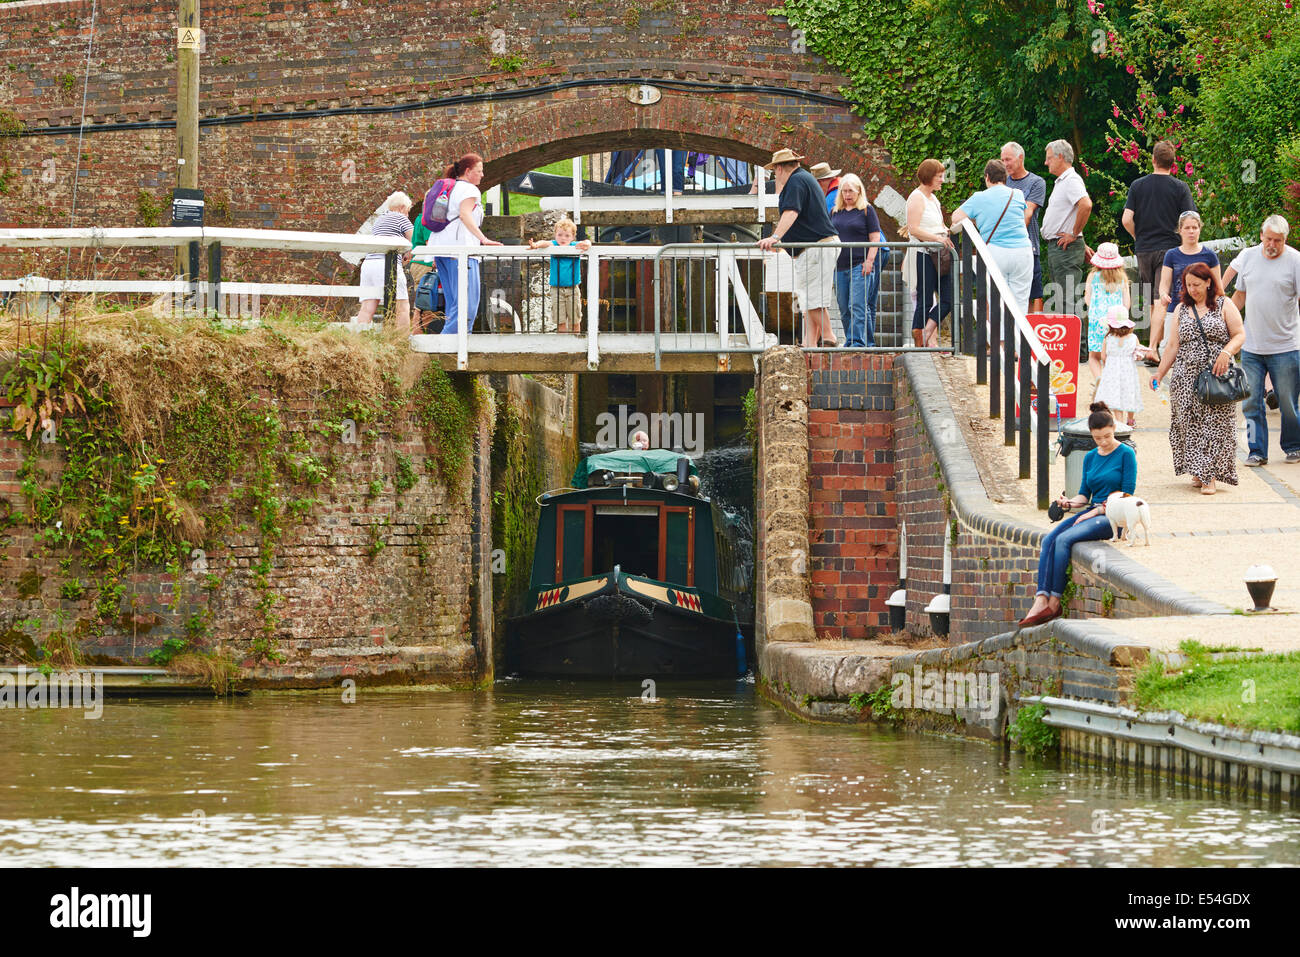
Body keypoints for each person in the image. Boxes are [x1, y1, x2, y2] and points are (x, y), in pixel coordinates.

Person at [1019, 401, 1136, 628]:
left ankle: (1055, 602)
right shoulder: (1091, 456)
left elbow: (1127, 494)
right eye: (1098, 438)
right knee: (1049, 539)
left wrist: (1100, 509)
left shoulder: (1126, 454)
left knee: (1064, 540)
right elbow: (1084, 494)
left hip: (1114, 515)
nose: (1103, 442)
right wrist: (1068, 503)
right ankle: (1040, 598)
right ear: (1092, 435)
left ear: (1114, 429)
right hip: (1093, 511)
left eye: (1108, 436)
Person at [1152, 261, 1247, 494]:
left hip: (1217, 374)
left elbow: (1239, 334)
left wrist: (1226, 352)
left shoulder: (1224, 304)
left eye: (1196, 284)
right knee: (1189, 424)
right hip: (1185, 376)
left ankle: (1209, 476)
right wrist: (1160, 372)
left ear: (1208, 282)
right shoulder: (1182, 309)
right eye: (1188, 285)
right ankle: (1198, 469)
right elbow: (1173, 345)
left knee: (1215, 425)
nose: (1192, 289)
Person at [1223, 215, 1300, 466]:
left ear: (1284, 240)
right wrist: (1225, 324)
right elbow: (1240, 295)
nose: (1272, 244)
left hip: (1286, 345)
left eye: (1278, 240)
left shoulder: (1295, 260)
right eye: (1268, 239)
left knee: (1288, 402)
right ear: (1261, 236)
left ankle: (1293, 445)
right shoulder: (1248, 256)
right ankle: (1256, 450)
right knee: (1250, 404)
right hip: (1252, 345)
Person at [757, 148, 840, 348]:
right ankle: (809, 343)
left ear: (779, 168)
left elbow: (791, 211)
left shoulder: (795, 182)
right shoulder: (804, 178)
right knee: (809, 297)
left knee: (812, 298)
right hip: (821, 246)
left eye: (774, 171)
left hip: (816, 248)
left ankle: (829, 337)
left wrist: (775, 237)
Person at [1123, 141, 1195, 364]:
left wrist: (1138, 237)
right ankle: (1156, 349)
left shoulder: (1137, 185)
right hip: (1169, 249)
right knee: (1163, 299)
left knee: (1153, 301)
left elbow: (1126, 219)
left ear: (1153, 160)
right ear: (1173, 164)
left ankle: (1155, 347)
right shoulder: (1180, 188)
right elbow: (1190, 218)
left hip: (1144, 250)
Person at [951, 159, 1032, 312]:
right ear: (1005, 177)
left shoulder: (979, 197)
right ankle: (1018, 335)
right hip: (1023, 251)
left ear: (987, 177)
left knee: (996, 302)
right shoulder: (1018, 194)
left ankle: (1000, 336)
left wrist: (978, 219)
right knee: (1020, 303)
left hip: (995, 251)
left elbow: (955, 217)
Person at [436, 153, 503, 337]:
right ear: (468, 171)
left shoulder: (450, 188)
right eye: (479, 171)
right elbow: (465, 215)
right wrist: (484, 239)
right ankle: (444, 345)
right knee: (468, 305)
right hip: (462, 252)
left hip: (442, 251)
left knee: (453, 305)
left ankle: (453, 348)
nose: (482, 175)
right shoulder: (469, 190)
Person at [1151, 210, 1220, 364]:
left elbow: (1218, 287)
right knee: (1168, 350)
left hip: (1203, 310)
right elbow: (1164, 283)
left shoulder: (1209, 256)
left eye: (1194, 228)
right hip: (1176, 308)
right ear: (1180, 230)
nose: (1191, 231)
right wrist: (1163, 295)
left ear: (1200, 229)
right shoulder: (1171, 255)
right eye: (1187, 228)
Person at [905, 158, 956, 347]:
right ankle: (919, 338)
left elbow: (938, 225)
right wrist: (937, 238)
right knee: (925, 298)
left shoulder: (933, 198)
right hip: (925, 253)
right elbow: (914, 229)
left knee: (948, 299)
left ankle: (926, 331)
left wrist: (946, 232)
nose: (943, 180)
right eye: (939, 176)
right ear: (929, 177)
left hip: (940, 254)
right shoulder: (916, 197)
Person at [1041, 139, 1093, 321]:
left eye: (1049, 158)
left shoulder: (1071, 180)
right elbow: (1072, 214)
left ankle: (1079, 348)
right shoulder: (1063, 181)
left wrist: (1074, 234)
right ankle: (1075, 347)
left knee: (1068, 300)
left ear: (1060, 157)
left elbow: (1086, 205)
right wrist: (1079, 237)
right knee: (1065, 299)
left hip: (1065, 248)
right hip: (1062, 247)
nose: (1046, 162)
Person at [830, 173, 883, 347]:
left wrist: (870, 261)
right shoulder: (835, 211)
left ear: (859, 191)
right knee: (844, 308)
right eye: (844, 191)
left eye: (851, 191)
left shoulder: (867, 210)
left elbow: (875, 238)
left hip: (860, 264)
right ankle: (852, 339)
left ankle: (859, 343)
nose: (847, 195)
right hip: (839, 266)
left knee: (858, 306)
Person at [355, 191, 413, 331]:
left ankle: (359, 336)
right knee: (403, 306)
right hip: (386, 264)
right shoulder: (401, 217)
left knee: (367, 307)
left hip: (369, 264)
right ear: (402, 207)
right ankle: (403, 341)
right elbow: (413, 239)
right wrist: (408, 255)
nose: (408, 214)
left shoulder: (379, 219)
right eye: (408, 211)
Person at [1001, 141, 1047, 313]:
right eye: (1002, 160)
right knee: (1001, 295)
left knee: (1033, 294)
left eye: (1008, 159)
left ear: (1020, 158)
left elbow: (1027, 214)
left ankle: (1031, 334)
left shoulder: (1036, 182)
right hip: (1003, 249)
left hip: (1029, 247)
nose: (1005, 164)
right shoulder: (1002, 183)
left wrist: (1009, 233)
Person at [529, 217, 591, 334]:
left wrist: (587, 243)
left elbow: (587, 242)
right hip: (556, 289)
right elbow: (544, 242)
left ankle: (576, 346)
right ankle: (563, 346)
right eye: (560, 235)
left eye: (567, 236)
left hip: (572, 289)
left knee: (575, 320)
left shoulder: (575, 246)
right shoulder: (554, 245)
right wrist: (536, 245)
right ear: (555, 235)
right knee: (560, 321)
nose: (563, 238)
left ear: (572, 237)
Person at [1085, 243, 1131, 382]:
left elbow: (1088, 299)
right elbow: (1126, 304)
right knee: (1112, 355)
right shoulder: (1122, 277)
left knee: (1094, 356)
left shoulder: (1093, 275)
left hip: (1097, 320)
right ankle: (1111, 382)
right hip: (1117, 321)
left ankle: (1100, 379)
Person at [1094, 306, 1146, 427]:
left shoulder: (1108, 338)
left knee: (1116, 395)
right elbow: (1139, 353)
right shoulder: (1133, 338)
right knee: (1129, 393)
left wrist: (1108, 365)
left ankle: (1119, 423)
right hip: (1128, 371)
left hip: (1112, 371)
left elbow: (1103, 356)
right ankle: (1131, 420)